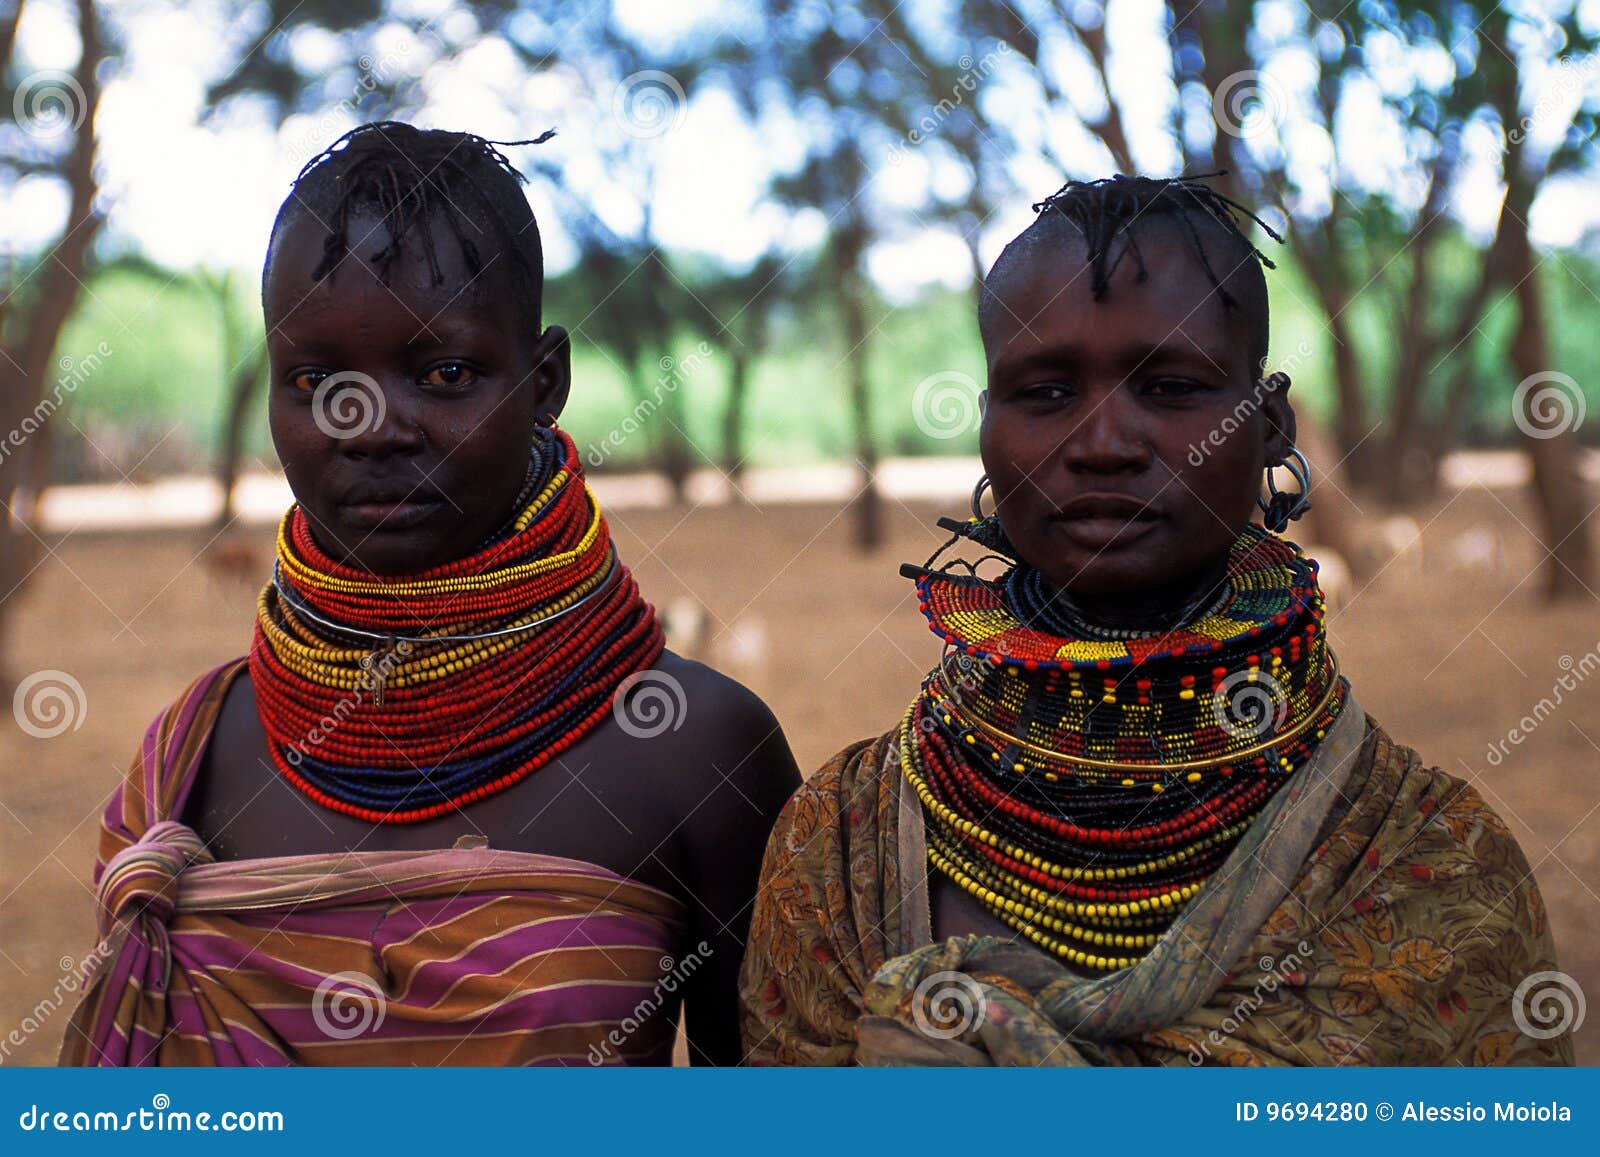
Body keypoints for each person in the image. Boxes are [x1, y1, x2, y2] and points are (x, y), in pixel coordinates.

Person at [738, 174, 1571, 1067]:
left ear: (1271, 427)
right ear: (986, 429)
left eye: (1171, 386)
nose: (1102, 442)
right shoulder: (836, 850)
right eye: (1044, 392)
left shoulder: (1435, 864)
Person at [61, 122, 800, 1067]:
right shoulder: (190, 758)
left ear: (545, 382)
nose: (370, 427)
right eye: (318, 378)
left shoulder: (698, 748)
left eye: (445, 372)